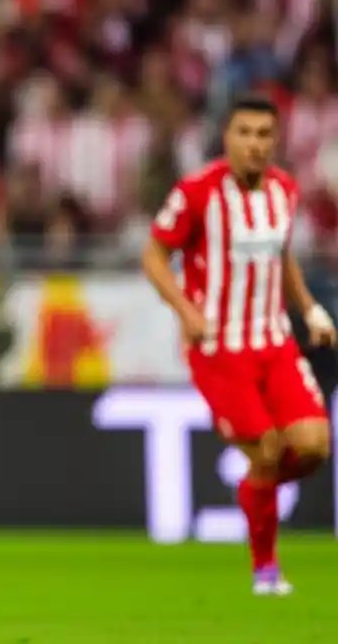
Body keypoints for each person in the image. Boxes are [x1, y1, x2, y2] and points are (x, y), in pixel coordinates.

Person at [141, 94, 336, 596]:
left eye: (264, 134)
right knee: (268, 451)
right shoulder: (197, 192)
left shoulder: (285, 191)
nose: (254, 144)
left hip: (275, 342)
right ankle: (265, 569)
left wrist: (311, 309)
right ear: (226, 138)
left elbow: (281, 257)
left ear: (276, 141)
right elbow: (155, 256)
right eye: (244, 133)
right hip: (219, 349)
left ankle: (254, 491)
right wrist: (186, 311)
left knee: (313, 447)